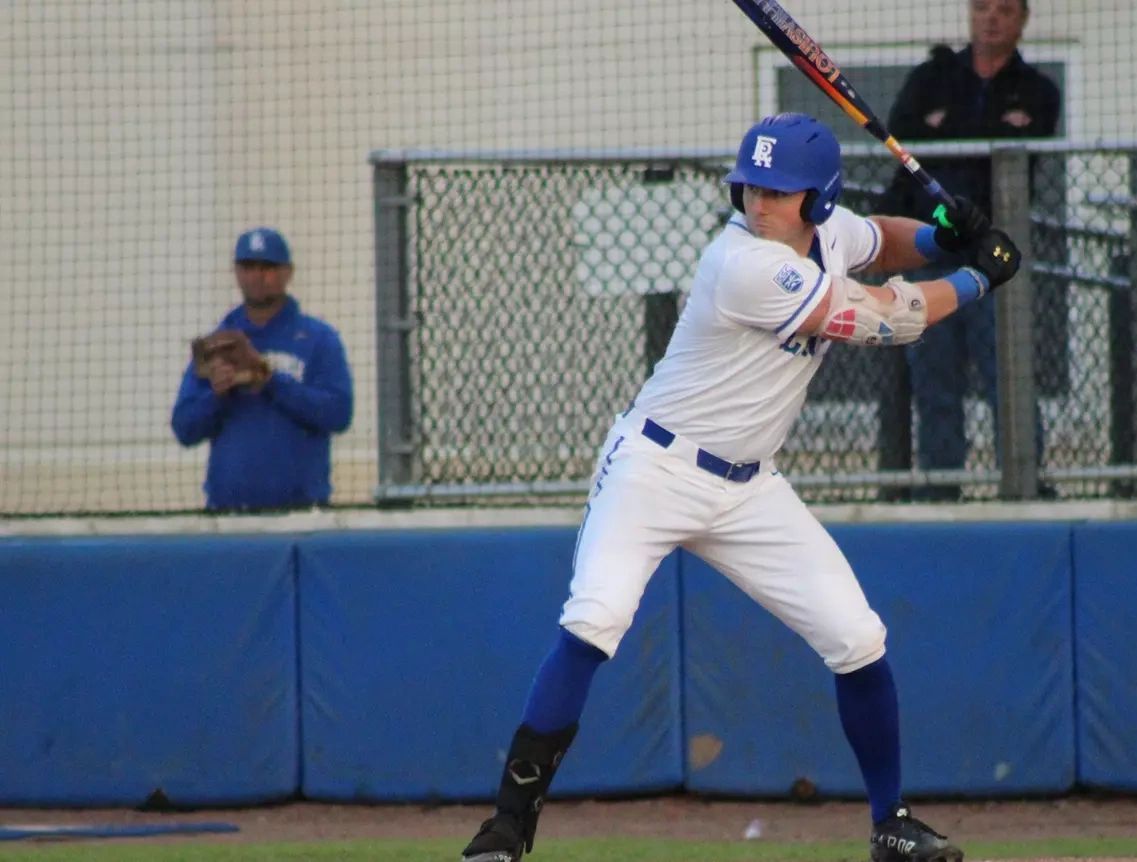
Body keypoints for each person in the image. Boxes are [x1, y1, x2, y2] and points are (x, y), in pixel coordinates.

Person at [459, 112, 1020, 862]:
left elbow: (875, 238)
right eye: (751, 185)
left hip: (749, 487)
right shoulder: (742, 263)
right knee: (594, 620)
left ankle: (892, 824)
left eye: (780, 191)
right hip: (653, 467)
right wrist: (974, 275)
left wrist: (935, 235)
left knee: (857, 639)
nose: (760, 202)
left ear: (816, 200)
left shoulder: (827, 231)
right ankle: (505, 829)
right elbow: (876, 318)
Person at [879, 0, 1060, 500]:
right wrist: (984, 132)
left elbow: (1019, 150)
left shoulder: (1038, 90)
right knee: (935, 379)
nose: (991, 18)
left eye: (1004, 10)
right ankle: (940, 488)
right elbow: (905, 141)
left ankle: (1023, 485)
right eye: (982, 7)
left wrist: (948, 129)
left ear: (1022, 19)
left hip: (993, 255)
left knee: (1009, 376)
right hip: (930, 249)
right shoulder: (932, 76)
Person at [171, 227, 354, 511]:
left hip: (301, 513)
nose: (257, 276)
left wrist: (271, 382)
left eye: (268, 267)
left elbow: (339, 413)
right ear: (236, 271)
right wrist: (217, 395)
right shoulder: (218, 343)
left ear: (288, 272)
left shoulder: (318, 339)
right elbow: (184, 428)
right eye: (248, 266)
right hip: (228, 515)